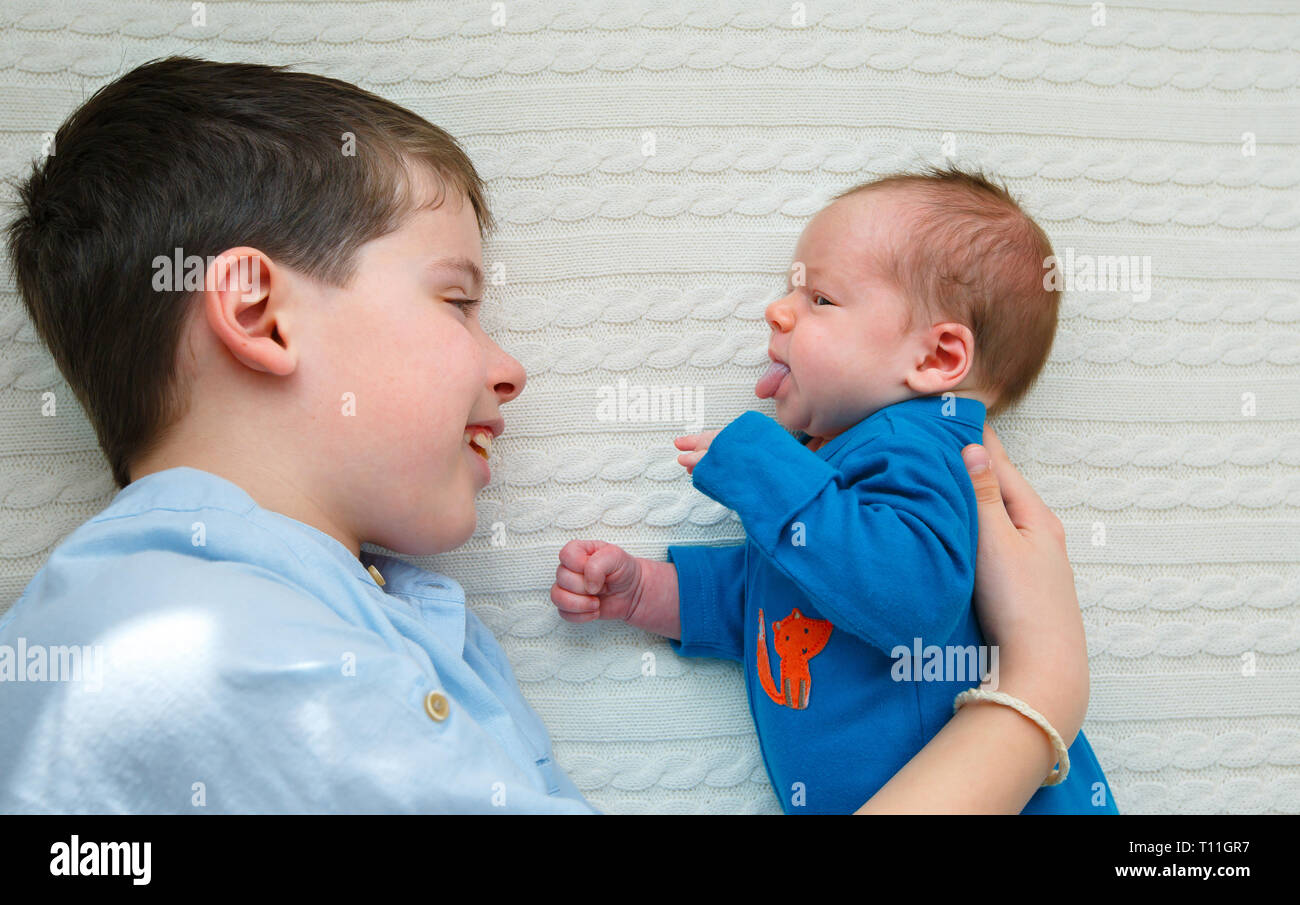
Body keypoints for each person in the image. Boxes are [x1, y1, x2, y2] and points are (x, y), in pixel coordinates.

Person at [0, 56, 1090, 814]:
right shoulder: (197, 634)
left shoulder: (332, 614)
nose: (507, 366)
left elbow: (820, 590)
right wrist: (1037, 690)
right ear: (259, 315)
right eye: (457, 301)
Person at [551, 169, 1116, 813]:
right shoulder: (847, 467)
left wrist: (767, 468)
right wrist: (650, 592)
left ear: (936, 360)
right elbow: (784, 601)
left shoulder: (918, 444)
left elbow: (908, 599)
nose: (779, 310)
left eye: (820, 299)